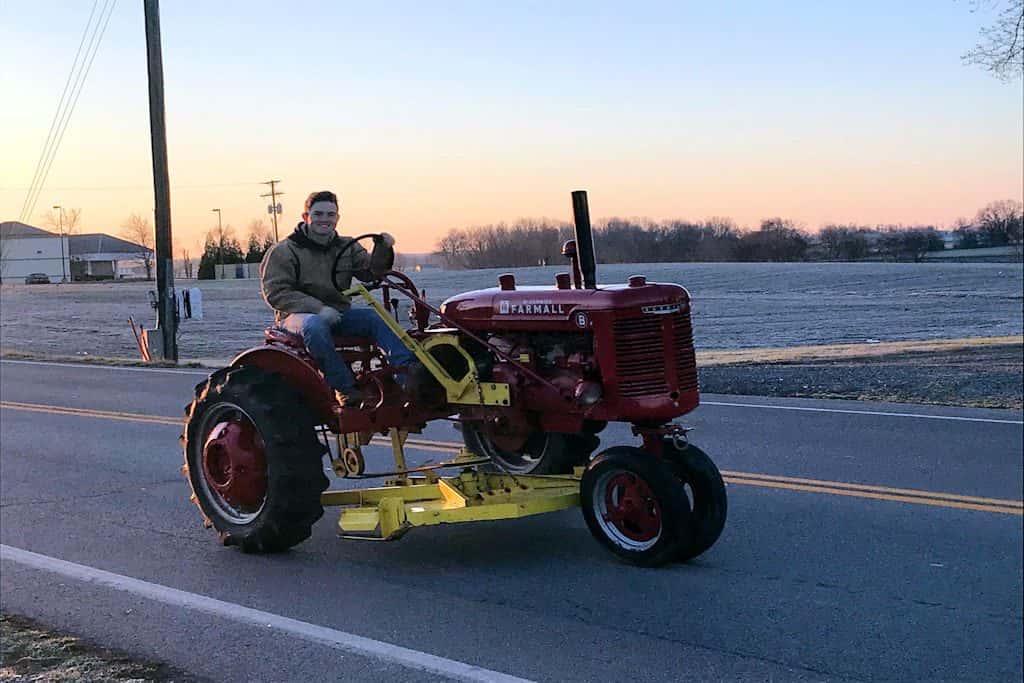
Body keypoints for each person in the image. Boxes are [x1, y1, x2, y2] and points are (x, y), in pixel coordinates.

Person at [260, 190, 417, 407]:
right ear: (306, 217)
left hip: (338, 313)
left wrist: (383, 247)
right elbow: (277, 293)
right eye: (319, 214)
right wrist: (318, 309)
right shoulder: (285, 251)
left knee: (374, 317)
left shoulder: (347, 246)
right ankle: (345, 388)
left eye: (330, 215)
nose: (325, 220)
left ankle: (408, 374)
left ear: (337, 218)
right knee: (314, 325)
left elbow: (370, 272)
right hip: (296, 317)